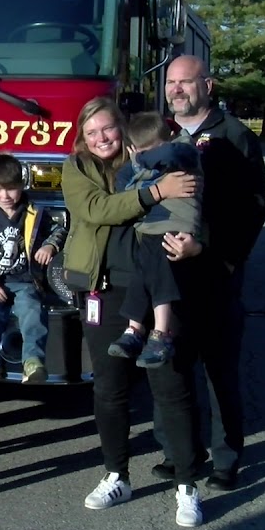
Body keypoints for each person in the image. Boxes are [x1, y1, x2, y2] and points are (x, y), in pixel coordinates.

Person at [59, 96, 205, 527]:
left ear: (121, 128)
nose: (101, 137)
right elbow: (95, 210)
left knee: (171, 386)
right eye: (91, 132)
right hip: (104, 291)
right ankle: (116, 475)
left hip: (158, 289)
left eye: (107, 128)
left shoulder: (151, 153)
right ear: (82, 138)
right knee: (109, 389)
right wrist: (155, 192)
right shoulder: (76, 169)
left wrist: (195, 243)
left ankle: (186, 484)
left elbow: (197, 199)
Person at [150, 55, 265, 493]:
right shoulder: (161, 134)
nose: (177, 89)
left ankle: (225, 459)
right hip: (168, 280)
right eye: (171, 82)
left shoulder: (235, 136)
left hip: (216, 275)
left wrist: (210, 250)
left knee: (218, 372)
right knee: (172, 369)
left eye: (186, 82)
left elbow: (255, 207)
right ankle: (178, 452)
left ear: (208, 85)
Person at [107, 112, 204, 368]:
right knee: (142, 274)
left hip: (176, 223)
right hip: (152, 226)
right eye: (141, 150)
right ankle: (134, 331)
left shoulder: (184, 150)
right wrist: (136, 163)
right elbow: (121, 188)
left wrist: (140, 157)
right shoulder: (135, 162)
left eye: (153, 149)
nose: (147, 155)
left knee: (159, 272)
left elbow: (168, 155)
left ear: (169, 137)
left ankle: (160, 333)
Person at [0, 153, 67, 391]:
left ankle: (33, 362)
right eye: (0, 189)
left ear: (22, 185)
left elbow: (58, 230)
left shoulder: (35, 214)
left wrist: (49, 245)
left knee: (32, 312)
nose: (6, 196)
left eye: (12, 189)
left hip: (26, 282)